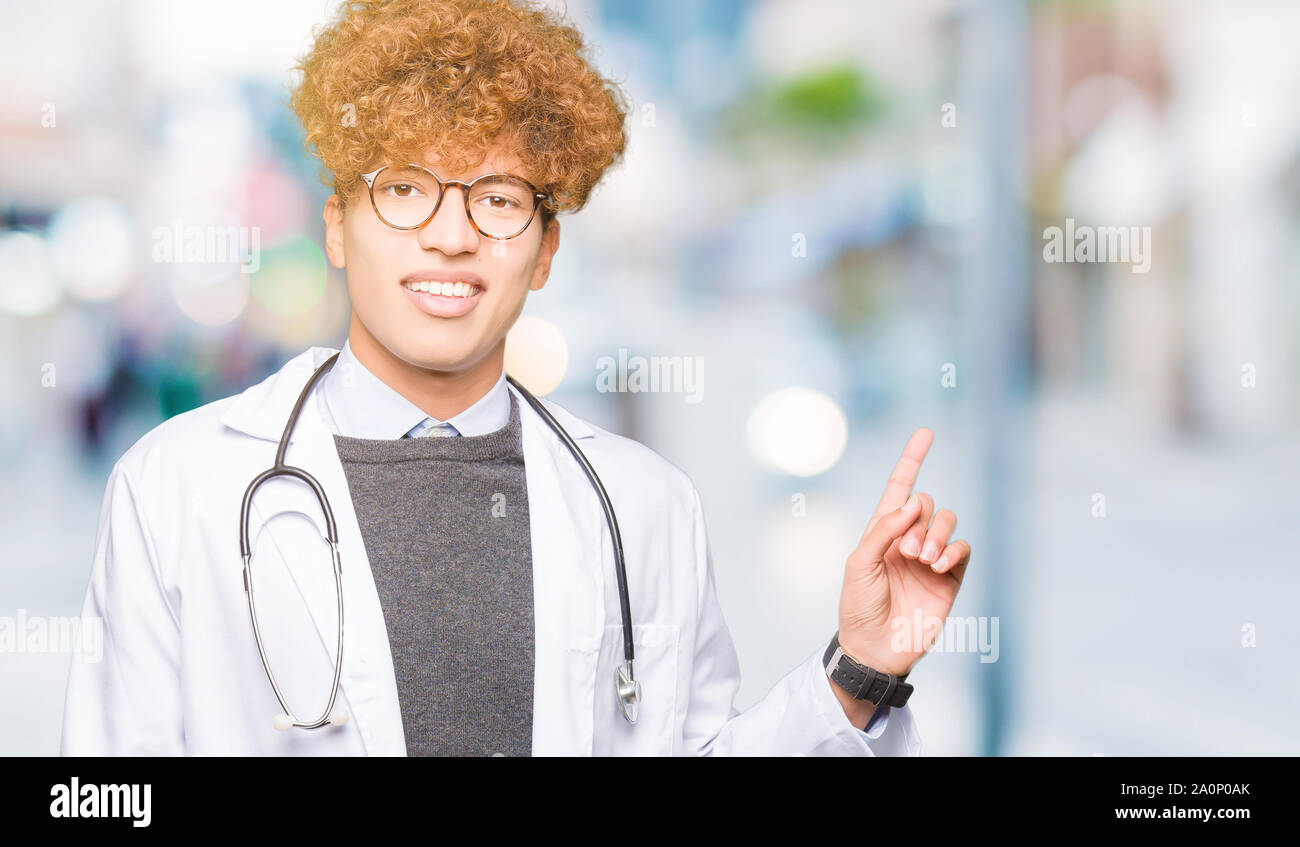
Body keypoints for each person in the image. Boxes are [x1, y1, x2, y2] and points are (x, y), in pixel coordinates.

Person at [60, 0, 971, 756]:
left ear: (543, 250)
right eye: (406, 189)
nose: (452, 236)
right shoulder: (176, 486)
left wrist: (859, 668)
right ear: (337, 225)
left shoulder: (643, 505)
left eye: (497, 199)